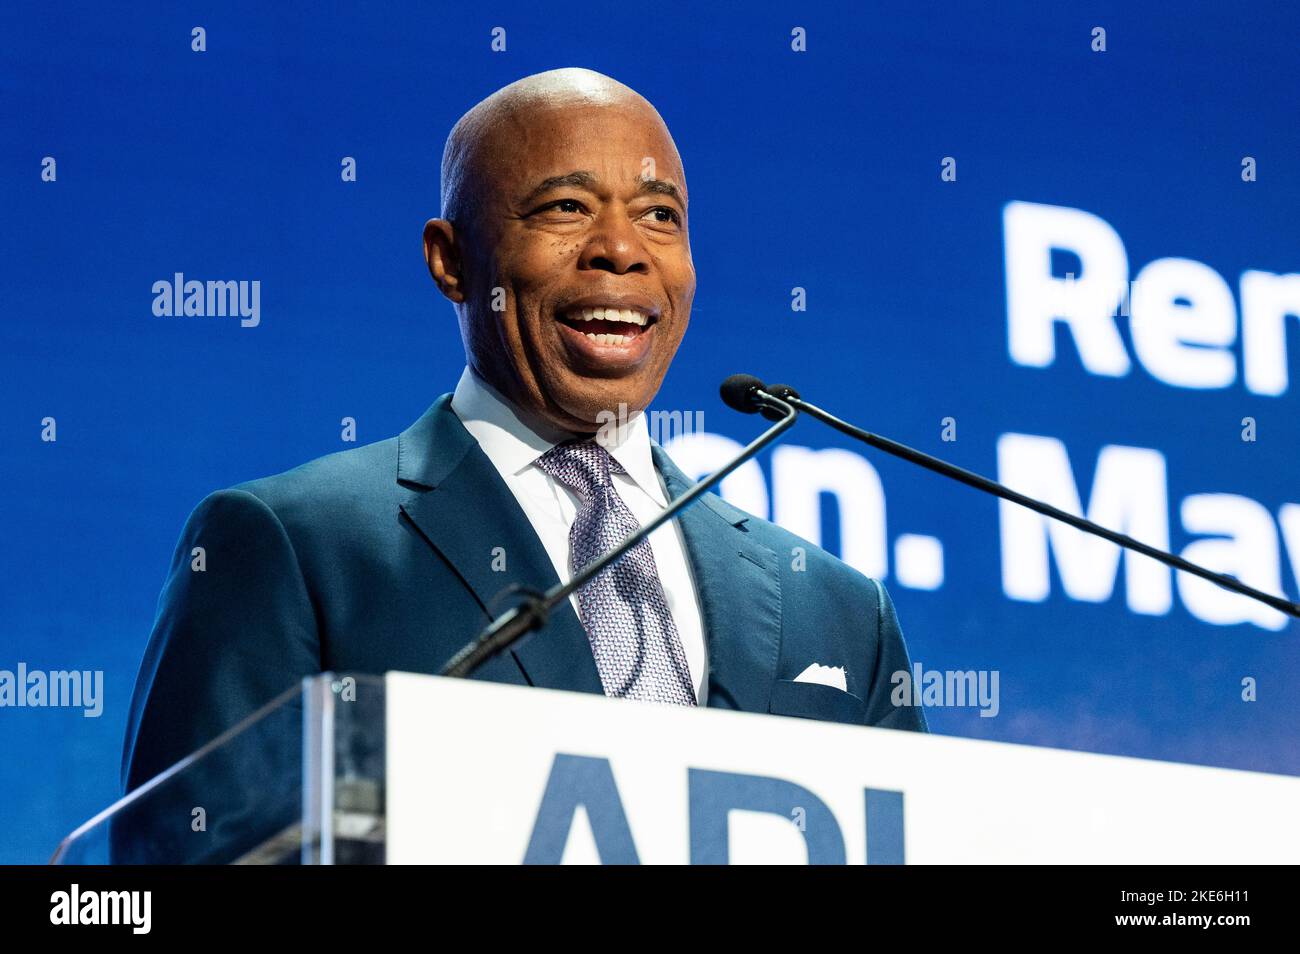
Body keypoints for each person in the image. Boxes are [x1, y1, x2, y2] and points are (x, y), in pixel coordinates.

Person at [122, 67, 927, 804]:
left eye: (659, 217)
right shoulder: (293, 548)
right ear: (451, 261)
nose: (621, 250)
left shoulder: (840, 613)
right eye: (566, 208)